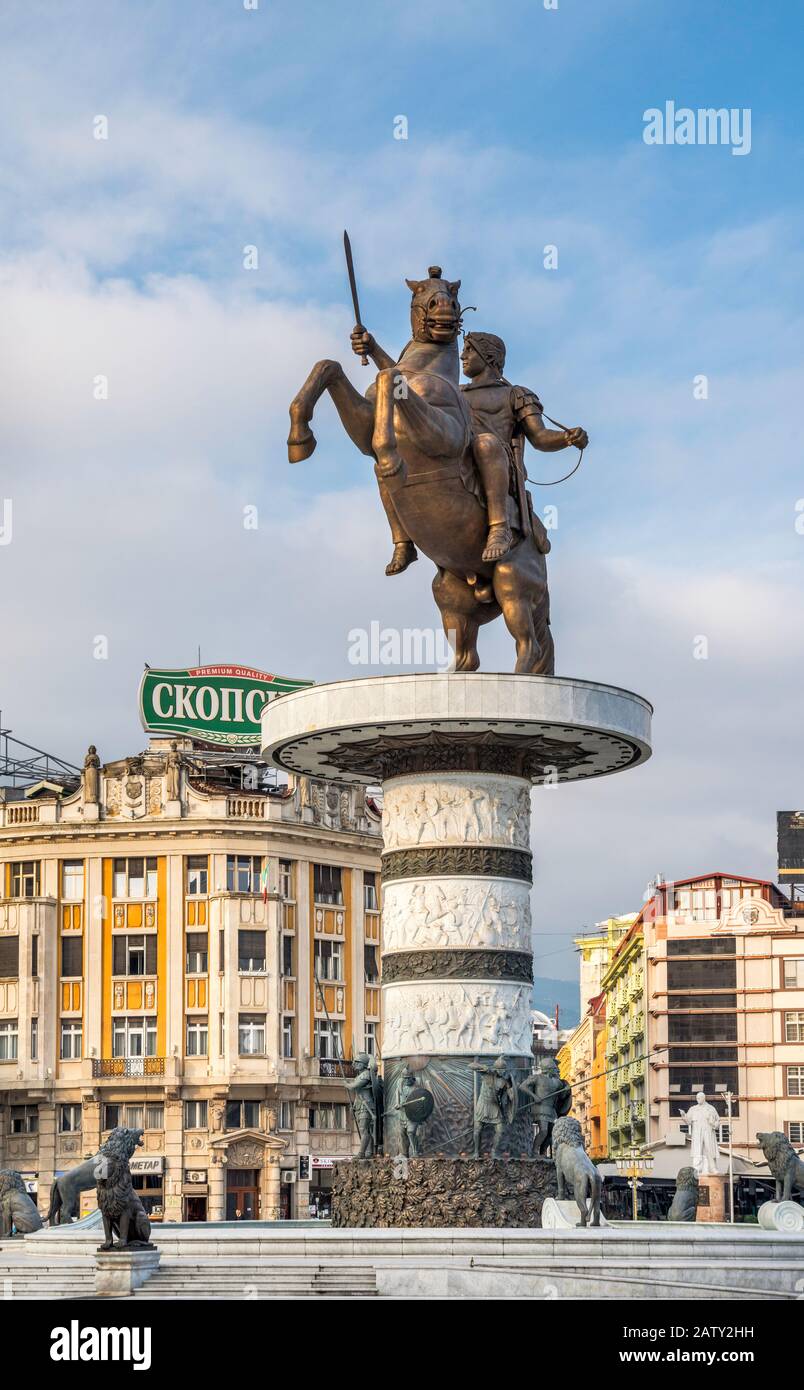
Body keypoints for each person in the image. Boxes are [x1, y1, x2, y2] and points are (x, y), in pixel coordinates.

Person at [460, 332, 588, 563]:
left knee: (486, 444)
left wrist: (568, 437)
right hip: (460, 461)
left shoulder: (515, 394)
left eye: (469, 349)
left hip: (498, 465)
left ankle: (500, 528)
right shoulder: (454, 393)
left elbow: (540, 437)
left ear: (488, 356)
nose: (462, 356)